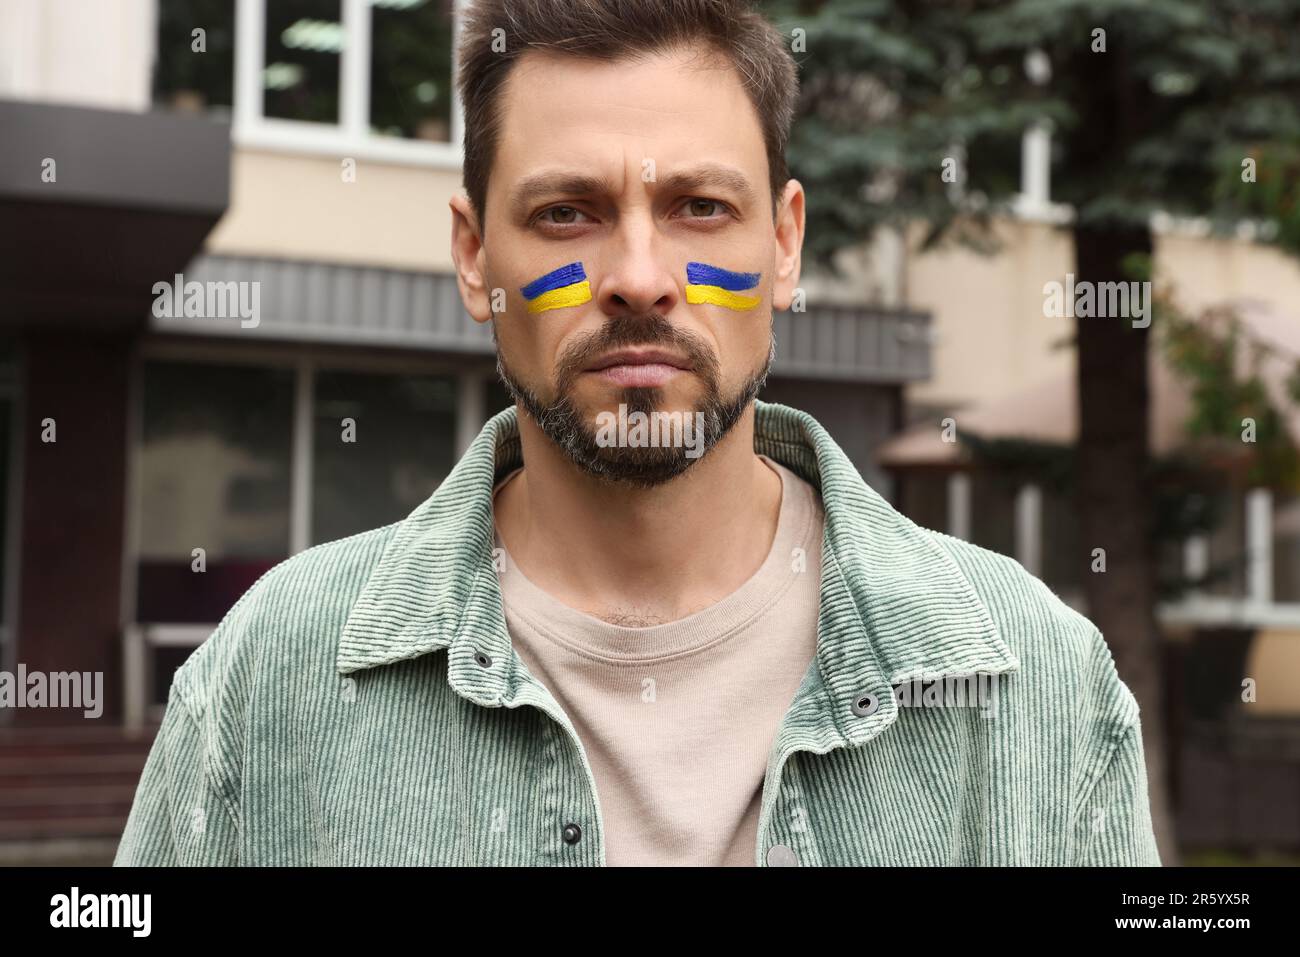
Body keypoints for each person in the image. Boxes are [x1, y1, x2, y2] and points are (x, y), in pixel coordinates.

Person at [115, 0, 1161, 866]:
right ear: (475, 258)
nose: (640, 278)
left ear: (784, 244)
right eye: (567, 212)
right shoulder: (268, 683)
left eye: (700, 207)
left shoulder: (1035, 686)